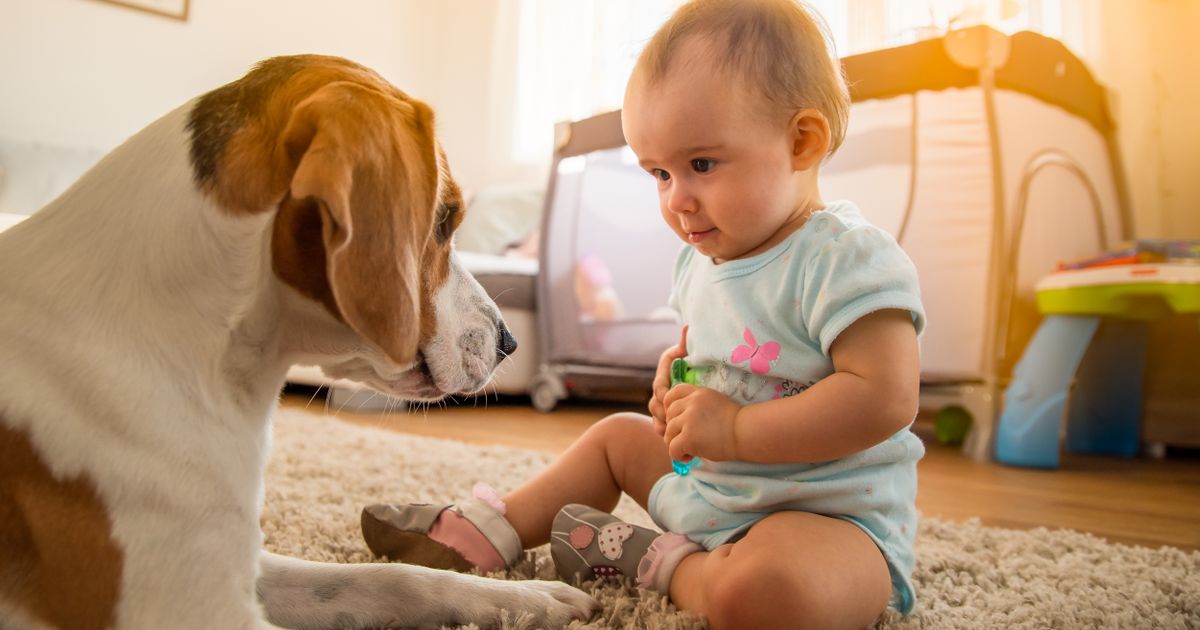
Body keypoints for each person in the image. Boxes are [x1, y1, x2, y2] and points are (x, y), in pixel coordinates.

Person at [359, 0, 926, 626]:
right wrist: (676, 381)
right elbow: (711, 353)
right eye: (659, 173)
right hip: (711, 490)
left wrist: (736, 431)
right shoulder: (702, 259)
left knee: (768, 597)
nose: (678, 200)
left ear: (801, 141)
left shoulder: (845, 258)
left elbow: (885, 398)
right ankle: (490, 531)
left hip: (824, 521)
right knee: (615, 438)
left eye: (701, 165)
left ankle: (659, 561)